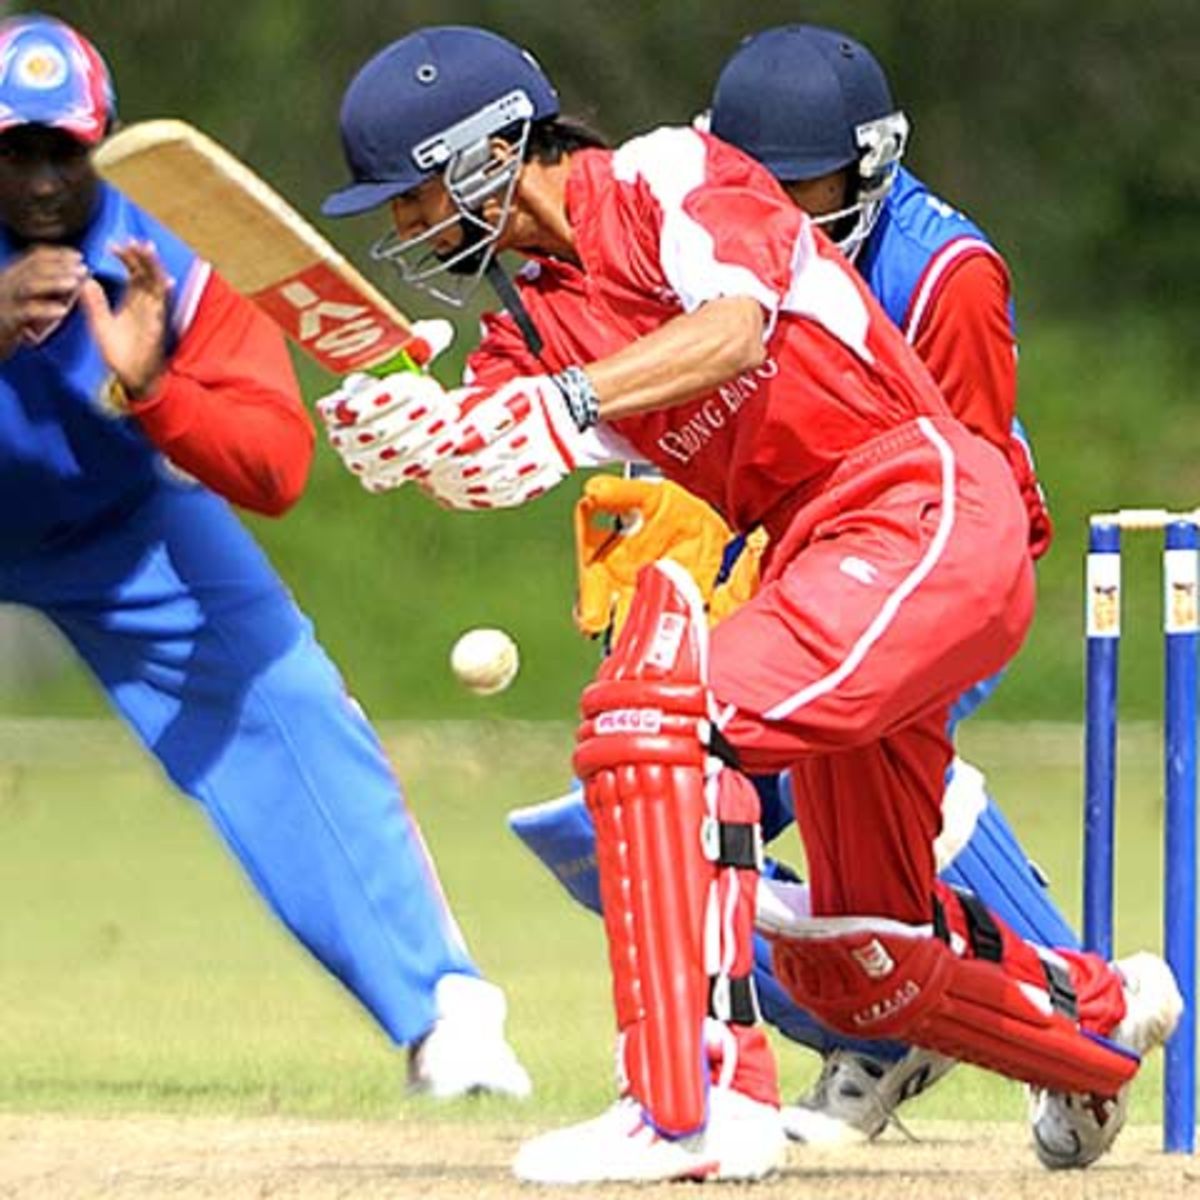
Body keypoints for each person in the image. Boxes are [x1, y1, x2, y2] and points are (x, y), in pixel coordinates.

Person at [317, 25, 1180, 1183]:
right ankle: (1101, 1022)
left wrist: (562, 407)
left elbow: (732, 330)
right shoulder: (527, 324)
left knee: (663, 717)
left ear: (489, 153)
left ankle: (694, 1102)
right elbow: (498, 450)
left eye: (413, 196)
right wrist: (417, 438)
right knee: (860, 961)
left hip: (915, 500)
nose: (405, 227)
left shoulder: (667, 175)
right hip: (816, 551)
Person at [508, 22, 1076, 1149]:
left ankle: (1023, 1023)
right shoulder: (711, 220)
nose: (783, 206)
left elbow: (956, 462)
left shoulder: (943, 271)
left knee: (703, 769)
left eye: (806, 184)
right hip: (809, 560)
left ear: (871, 165)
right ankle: (889, 1026)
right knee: (616, 821)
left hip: (937, 553)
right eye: (764, 180)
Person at [0, 13, 529, 1103]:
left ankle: (444, 1014)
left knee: (286, 697)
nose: (44, 181)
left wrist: (155, 389)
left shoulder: (169, 251)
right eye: (16, 154)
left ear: (104, 143)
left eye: (67, 151)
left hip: (118, 531)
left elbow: (277, 465)